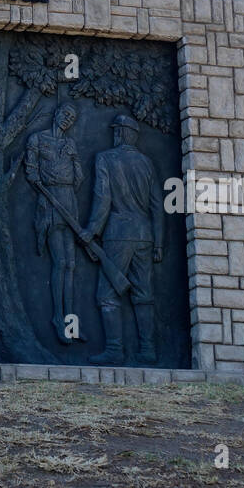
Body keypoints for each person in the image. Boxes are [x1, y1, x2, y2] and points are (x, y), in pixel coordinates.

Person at [82, 115, 164, 366]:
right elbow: (156, 207)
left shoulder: (105, 159)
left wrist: (92, 230)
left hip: (117, 235)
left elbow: (103, 199)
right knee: (144, 295)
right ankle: (147, 351)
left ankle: (115, 350)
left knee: (107, 295)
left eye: (116, 131)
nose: (114, 134)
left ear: (121, 133)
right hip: (145, 236)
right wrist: (158, 242)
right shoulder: (147, 163)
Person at [24, 104, 85, 344]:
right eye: (65, 114)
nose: (68, 120)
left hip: (68, 199)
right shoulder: (37, 139)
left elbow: (78, 173)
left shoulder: (70, 144)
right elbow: (31, 171)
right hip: (49, 201)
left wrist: (68, 185)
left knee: (71, 264)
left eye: (72, 117)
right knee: (60, 262)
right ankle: (58, 318)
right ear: (56, 113)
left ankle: (71, 321)